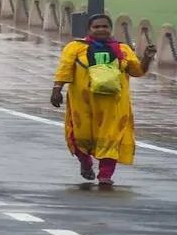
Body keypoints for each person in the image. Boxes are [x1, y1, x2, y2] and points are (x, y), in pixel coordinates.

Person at [51, 14, 156, 186]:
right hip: (82, 103)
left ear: (110, 28)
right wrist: (57, 90)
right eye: (96, 27)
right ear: (89, 29)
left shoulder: (123, 49)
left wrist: (147, 58)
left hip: (113, 104)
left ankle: (105, 174)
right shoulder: (75, 47)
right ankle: (85, 163)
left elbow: (137, 71)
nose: (101, 30)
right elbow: (64, 69)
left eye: (105, 26)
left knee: (112, 136)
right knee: (80, 135)